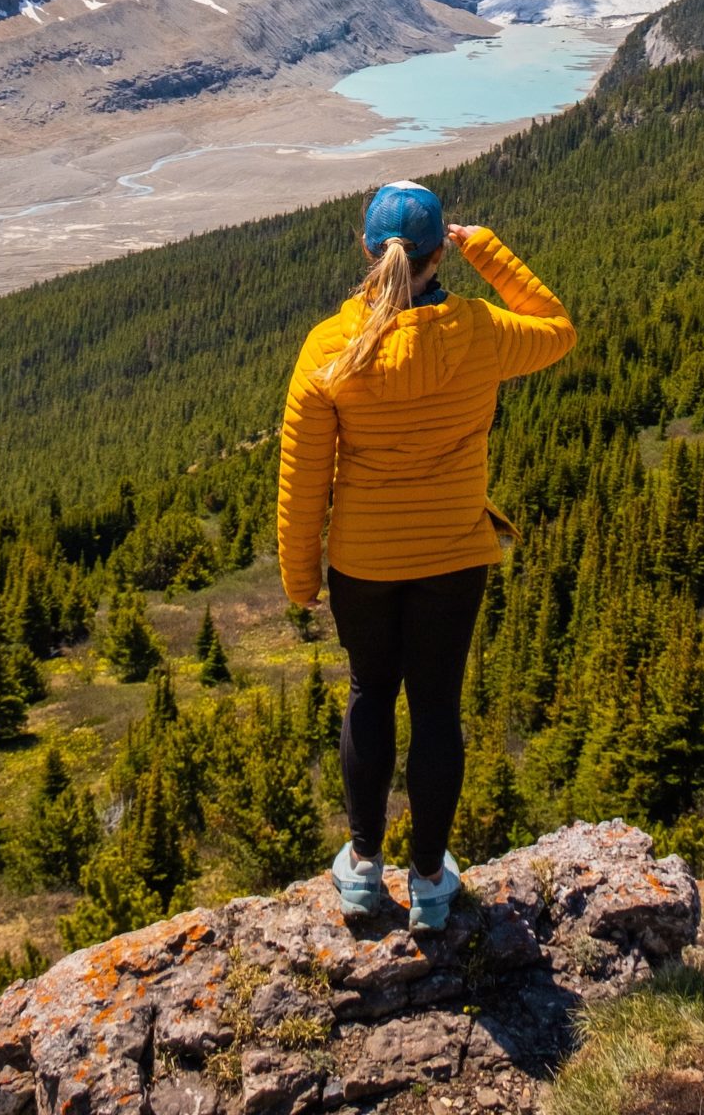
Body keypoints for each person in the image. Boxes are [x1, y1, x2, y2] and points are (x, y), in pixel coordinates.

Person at [277, 179, 576, 929]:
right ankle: (433, 882)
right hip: (452, 555)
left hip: (364, 564)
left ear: (366, 249)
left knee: (370, 699)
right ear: (441, 252)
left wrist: (300, 579)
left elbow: (303, 477)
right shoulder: (479, 332)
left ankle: (363, 868)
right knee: (437, 708)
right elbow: (557, 326)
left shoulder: (330, 347)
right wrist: (489, 250)